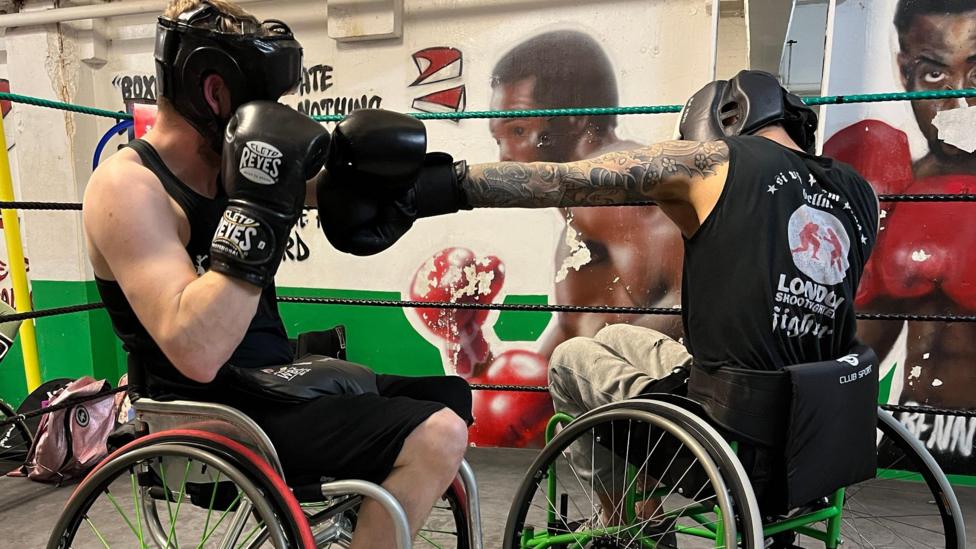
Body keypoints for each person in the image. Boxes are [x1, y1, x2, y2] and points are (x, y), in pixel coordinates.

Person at [318, 70, 879, 538]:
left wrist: (428, 190)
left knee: (569, 361)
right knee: (610, 340)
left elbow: (559, 182)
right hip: (819, 430)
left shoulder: (714, 163)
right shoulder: (858, 191)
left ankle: (627, 525)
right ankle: (642, 505)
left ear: (725, 124)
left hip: (731, 437)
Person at [83, 2, 470, 547]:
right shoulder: (129, 189)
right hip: (213, 409)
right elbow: (195, 351)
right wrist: (261, 209)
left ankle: (365, 531)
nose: (277, 114)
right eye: (267, 102)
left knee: (449, 395)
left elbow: (340, 187)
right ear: (216, 93)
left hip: (271, 381)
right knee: (437, 435)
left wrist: (424, 186)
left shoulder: (232, 170)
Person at [489, 31, 684, 356]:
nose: (503, 157)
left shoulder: (608, 185)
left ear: (576, 118)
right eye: (499, 139)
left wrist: (608, 373)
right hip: (614, 398)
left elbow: (693, 300)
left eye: (518, 130)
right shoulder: (581, 214)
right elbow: (575, 331)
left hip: (642, 398)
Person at [825, 0, 976, 412]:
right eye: (934, 73)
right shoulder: (894, 194)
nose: (959, 103)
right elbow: (852, 358)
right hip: (910, 435)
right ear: (903, 72)